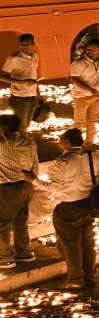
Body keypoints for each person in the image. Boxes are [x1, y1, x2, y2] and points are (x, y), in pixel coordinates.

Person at [49, 127, 99, 290]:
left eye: (60, 139)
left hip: (68, 207)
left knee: (69, 244)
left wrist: (34, 181)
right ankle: (89, 277)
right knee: (87, 244)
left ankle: (75, 279)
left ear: (67, 142)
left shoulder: (63, 161)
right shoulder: (92, 156)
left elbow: (55, 189)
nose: (59, 141)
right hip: (88, 205)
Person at [0, 114, 38, 269]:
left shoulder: (2, 146)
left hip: (7, 189)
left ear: (4, 128)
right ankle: (25, 253)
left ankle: (4, 257)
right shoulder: (30, 143)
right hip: (27, 186)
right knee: (20, 221)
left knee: (2, 224)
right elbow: (35, 165)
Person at [69, 40, 99, 147]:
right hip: (82, 96)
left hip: (97, 96)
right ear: (85, 49)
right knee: (79, 122)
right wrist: (90, 89)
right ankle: (76, 145)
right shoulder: (78, 63)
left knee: (92, 121)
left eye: (94, 49)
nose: (91, 51)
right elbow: (74, 80)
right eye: (89, 49)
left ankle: (89, 144)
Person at [0, 34, 40, 130]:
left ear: (33, 44)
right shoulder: (13, 59)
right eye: (22, 44)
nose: (24, 47)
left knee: (27, 125)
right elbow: (1, 76)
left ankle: (24, 143)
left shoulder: (35, 56)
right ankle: (18, 144)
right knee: (20, 125)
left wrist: (38, 94)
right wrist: (21, 82)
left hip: (32, 96)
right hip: (19, 97)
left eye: (27, 44)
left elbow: (33, 75)